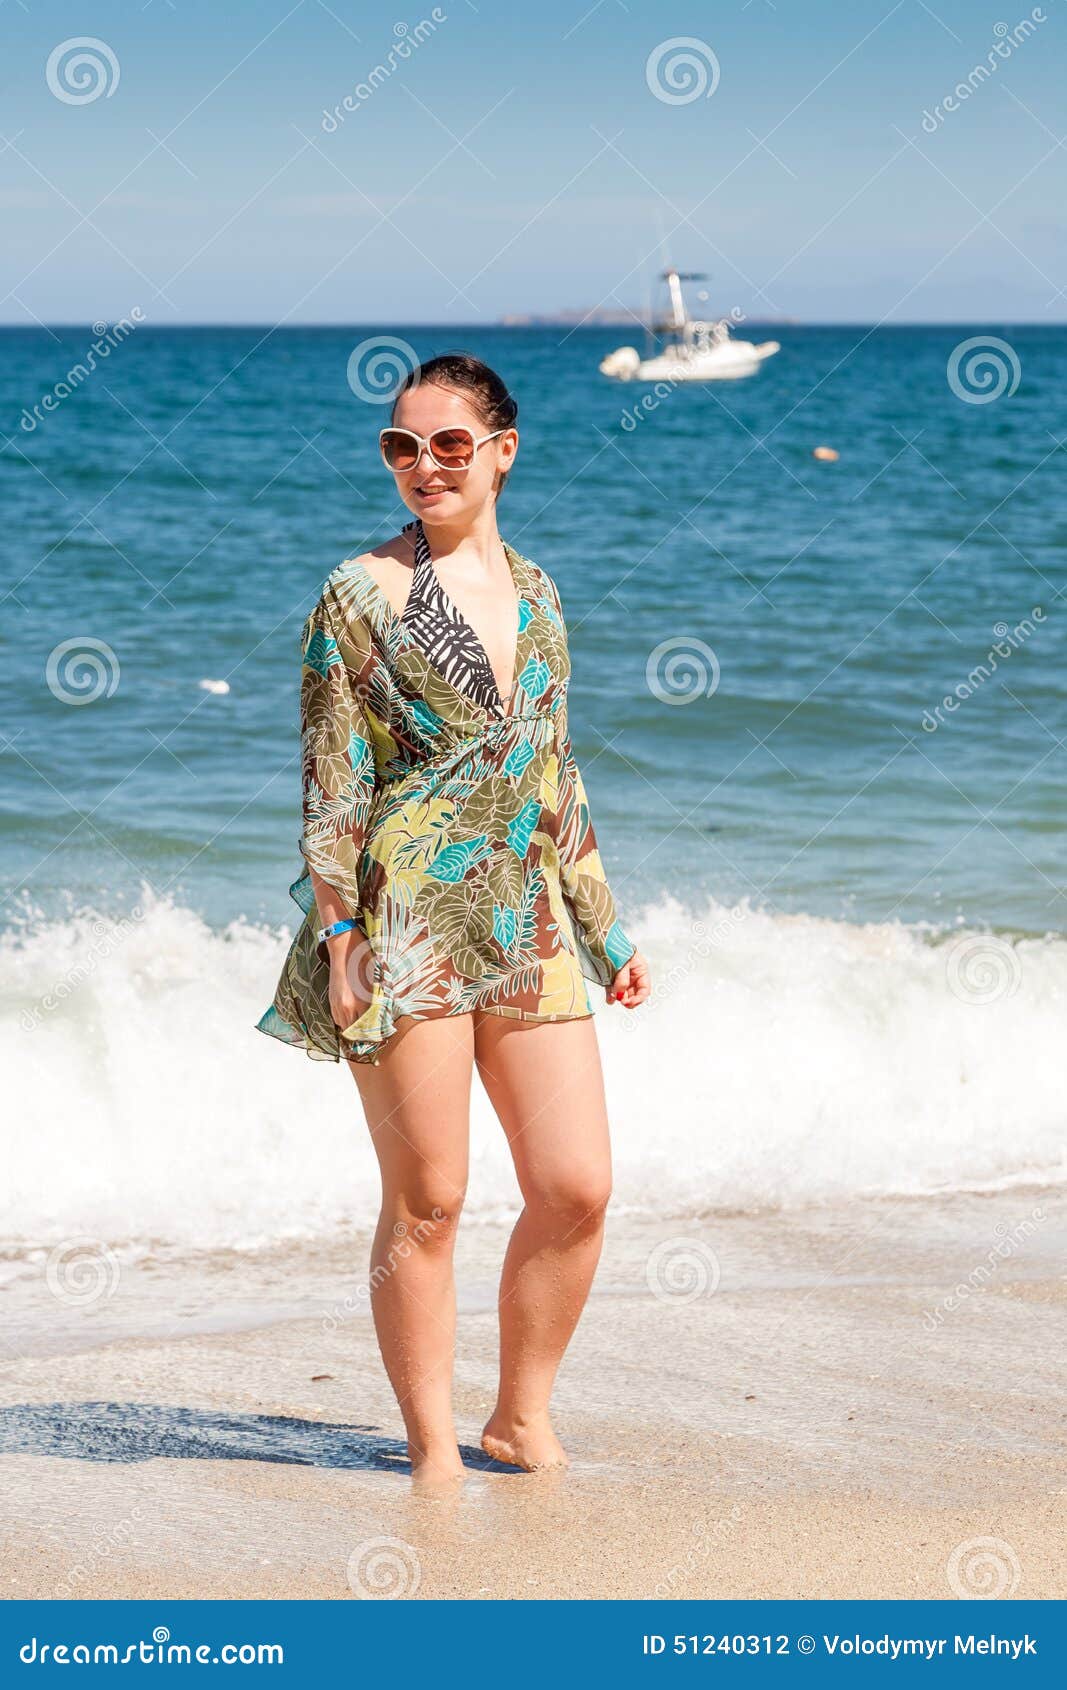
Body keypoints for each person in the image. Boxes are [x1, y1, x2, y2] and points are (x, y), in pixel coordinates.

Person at [257, 352, 650, 1483]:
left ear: (500, 451)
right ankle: (431, 1447)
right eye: (400, 446)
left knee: (575, 1185)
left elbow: (552, 769)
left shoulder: (539, 592)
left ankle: (518, 1417)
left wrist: (604, 927)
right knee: (430, 1198)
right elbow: (331, 781)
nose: (422, 465)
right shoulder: (359, 593)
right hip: (404, 919)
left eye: (447, 444)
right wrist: (340, 936)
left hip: (526, 916)